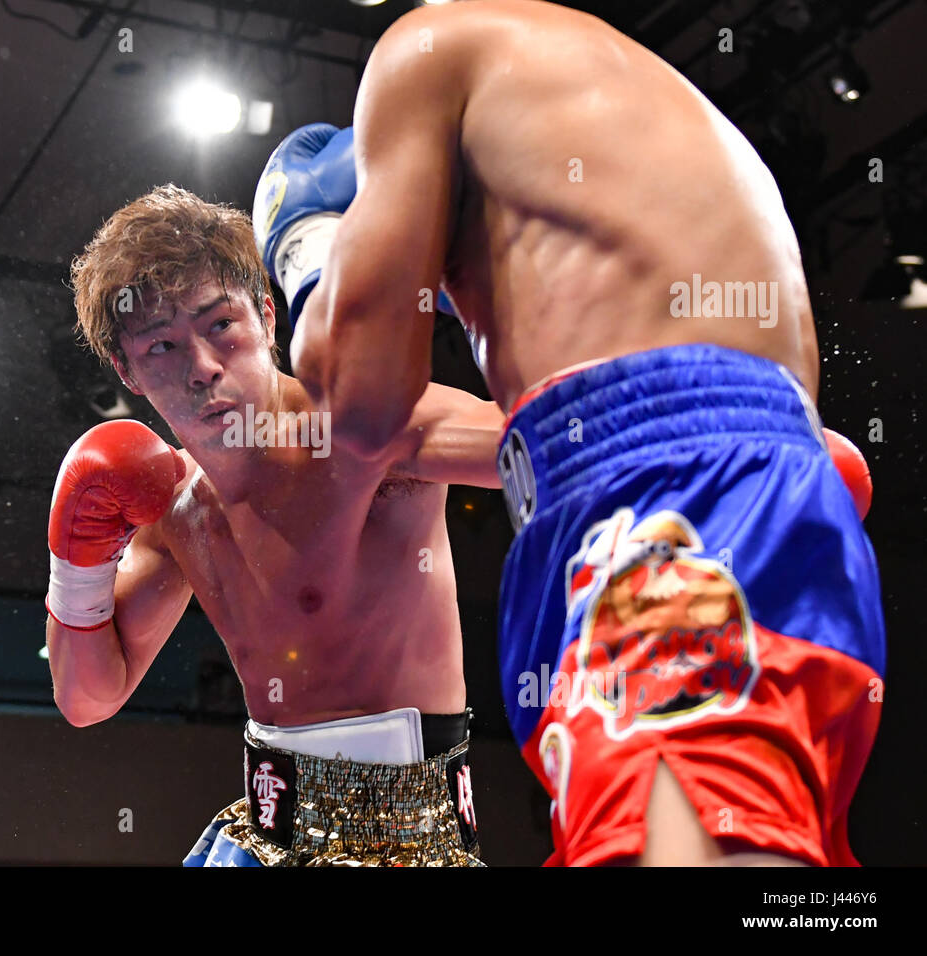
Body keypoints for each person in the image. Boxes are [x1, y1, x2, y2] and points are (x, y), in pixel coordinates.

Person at [259, 0, 884, 866]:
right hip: (749, 491)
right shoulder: (612, 92)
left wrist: (309, 250)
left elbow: (362, 409)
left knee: (687, 851)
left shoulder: (425, 48)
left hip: (656, 497)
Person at [47, 184, 504, 865]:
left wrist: (488, 294)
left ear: (266, 316)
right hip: (263, 840)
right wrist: (75, 565)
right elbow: (88, 699)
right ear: (127, 370)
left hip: (410, 841)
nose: (201, 368)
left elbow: (564, 445)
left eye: (220, 325)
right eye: (163, 346)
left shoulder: (364, 432)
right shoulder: (171, 507)